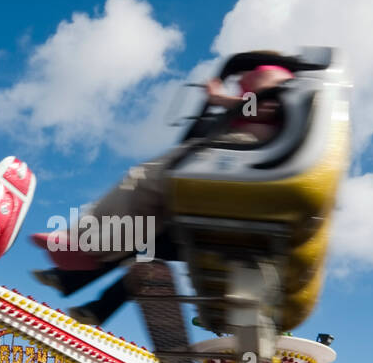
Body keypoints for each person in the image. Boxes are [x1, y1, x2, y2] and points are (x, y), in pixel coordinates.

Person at [33, 65, 294, 325]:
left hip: (233, 166)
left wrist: (219, 98)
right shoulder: (265, 94)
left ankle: (80, 250)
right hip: (230, 190)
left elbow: (264, 107)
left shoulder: (274, 80)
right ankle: (88, 297)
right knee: (146, 244)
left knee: (141, 184)